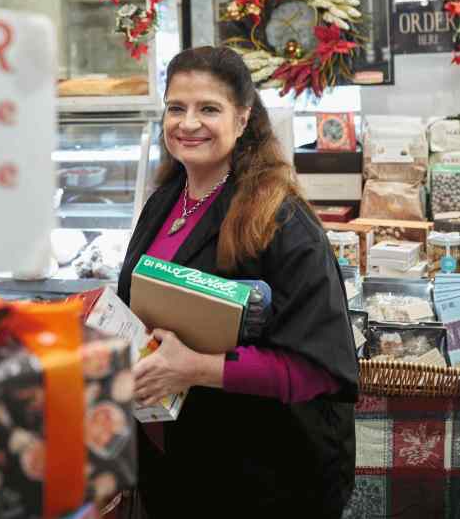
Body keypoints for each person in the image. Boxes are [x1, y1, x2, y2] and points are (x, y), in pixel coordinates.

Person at [118, 45, 359, 518]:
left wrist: (195, 367)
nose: (188, 123)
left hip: (264, 477)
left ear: (244, 118)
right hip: (177, 465)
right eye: (176, 108)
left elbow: (321, 369)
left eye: (209, 108)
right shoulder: (164, 201)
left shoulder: (280, 219)